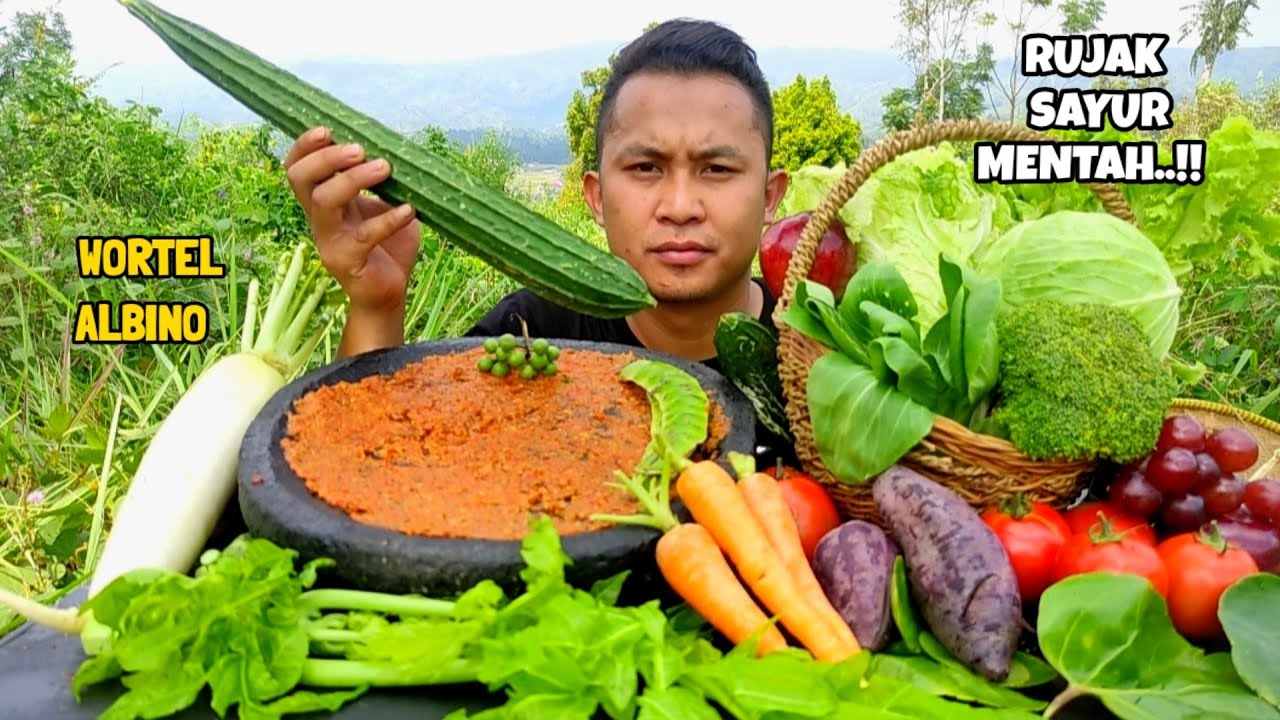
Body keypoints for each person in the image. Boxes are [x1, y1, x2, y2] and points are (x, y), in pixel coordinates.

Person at [281, 18, 796, 462]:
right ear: (595, 197)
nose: (680, 206)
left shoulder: (823, 356)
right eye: (645, 167)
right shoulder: (528, 334)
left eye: (718, 168)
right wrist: (376, 305)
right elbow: (373, 465)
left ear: (770, 196)